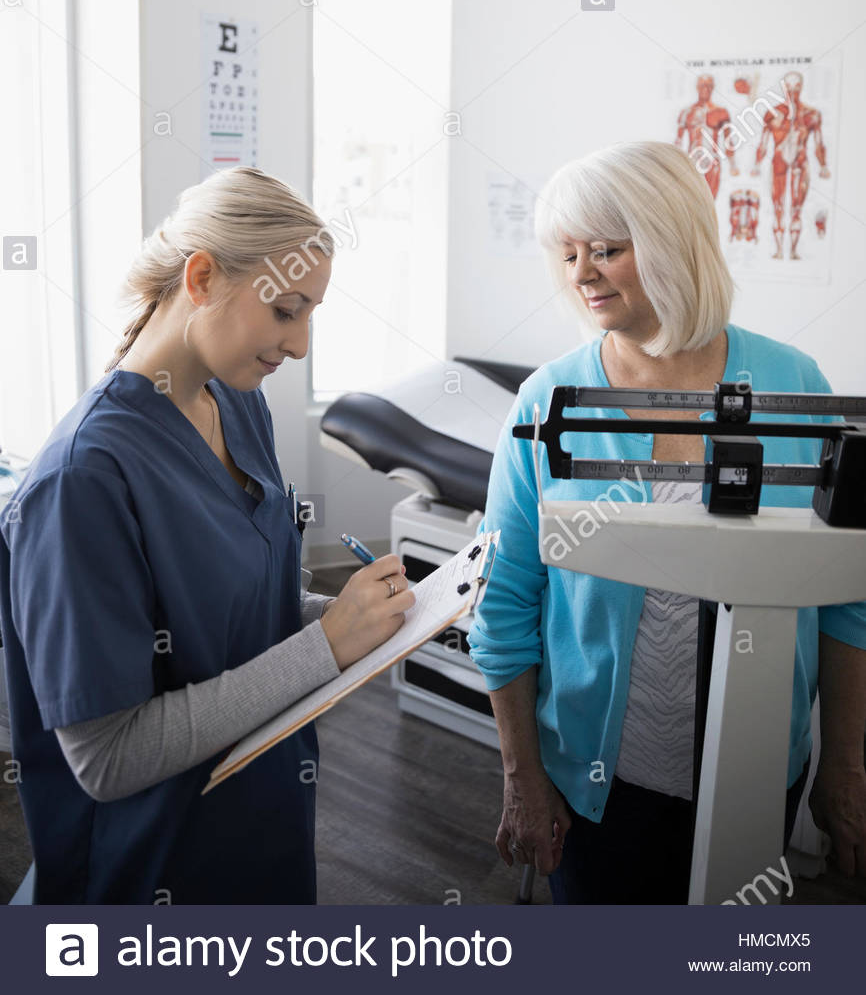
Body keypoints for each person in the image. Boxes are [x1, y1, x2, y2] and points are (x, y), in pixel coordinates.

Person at [0, 166, 413, 904]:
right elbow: (108, 756)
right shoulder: (80, 481)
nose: (301, 343)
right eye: (287, 310)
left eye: (311, 313)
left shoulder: (237, 405)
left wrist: (360, 619)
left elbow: (239, 611)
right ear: (200, 276)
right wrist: (326, 646)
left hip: (263, 829)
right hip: (151, 871)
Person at [468, 140, 866, 903]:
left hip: (757, 768)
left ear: (671, 245)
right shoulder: (549, 401)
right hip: (597, 780)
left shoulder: (794, 384)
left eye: (607, 250)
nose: (580, 273)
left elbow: (846, 593)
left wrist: (843, 762)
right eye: (568, 252)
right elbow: (505, 600)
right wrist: (521, 777)